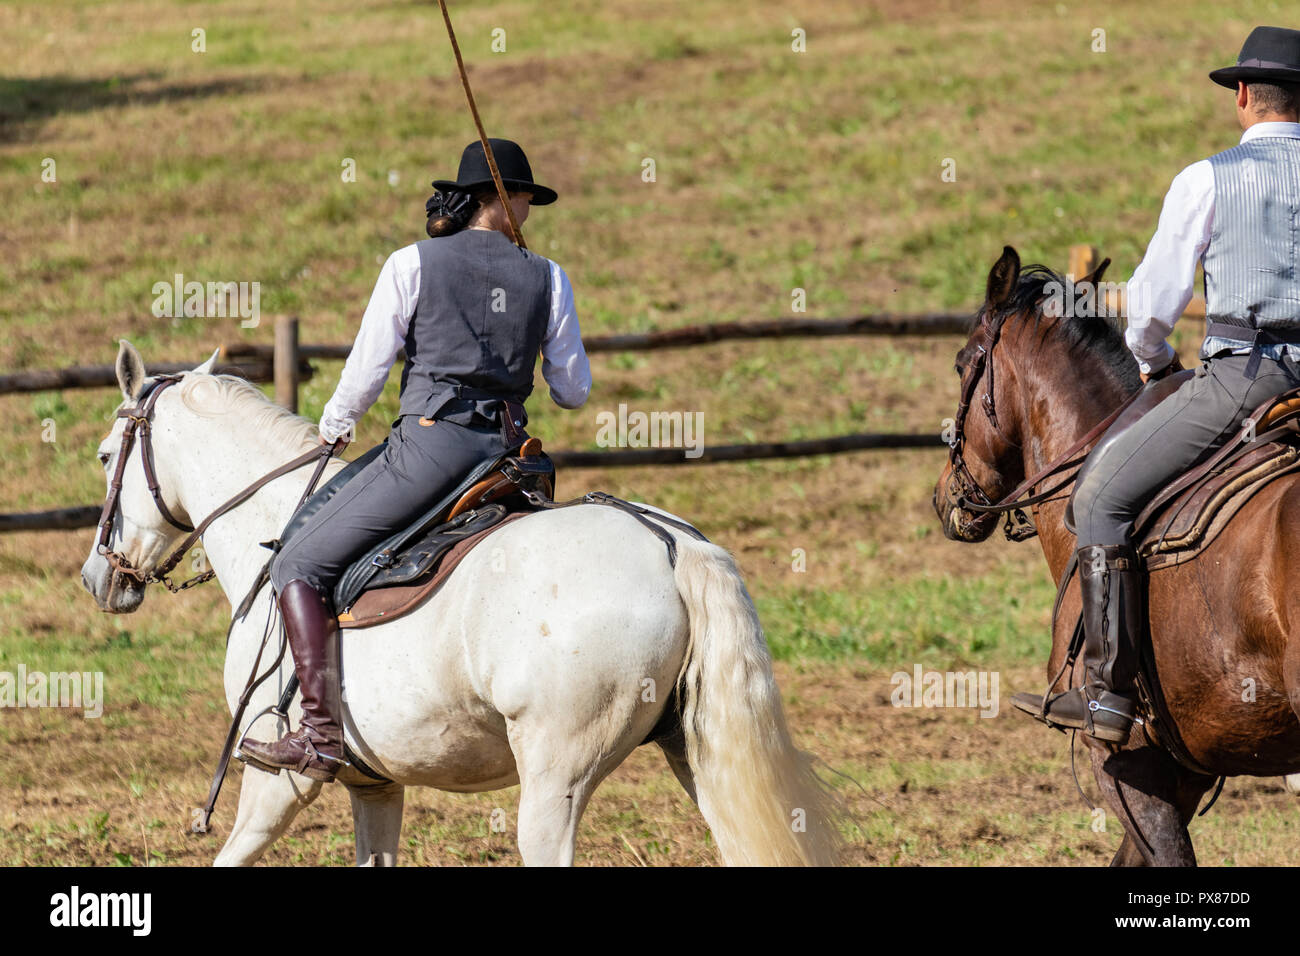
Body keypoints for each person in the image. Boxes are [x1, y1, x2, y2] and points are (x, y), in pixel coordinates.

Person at [239, 139, 592, 782]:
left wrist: (337, 424)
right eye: (525, 197)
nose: (528, 210)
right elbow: (572, 391)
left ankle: (319, 734)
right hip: (513, 455)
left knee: (298, 559)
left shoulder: (412, 264)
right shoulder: (550, 276)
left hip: (431, 450)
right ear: (501, 199)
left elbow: (370, 364)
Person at [1014, 26, 1300, 744]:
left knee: (1100, 496)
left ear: (1242, 97)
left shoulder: (1209, 179)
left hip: (1247, 379)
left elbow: (1148, 309)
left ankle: (1110, 694)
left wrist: (1152, 362)